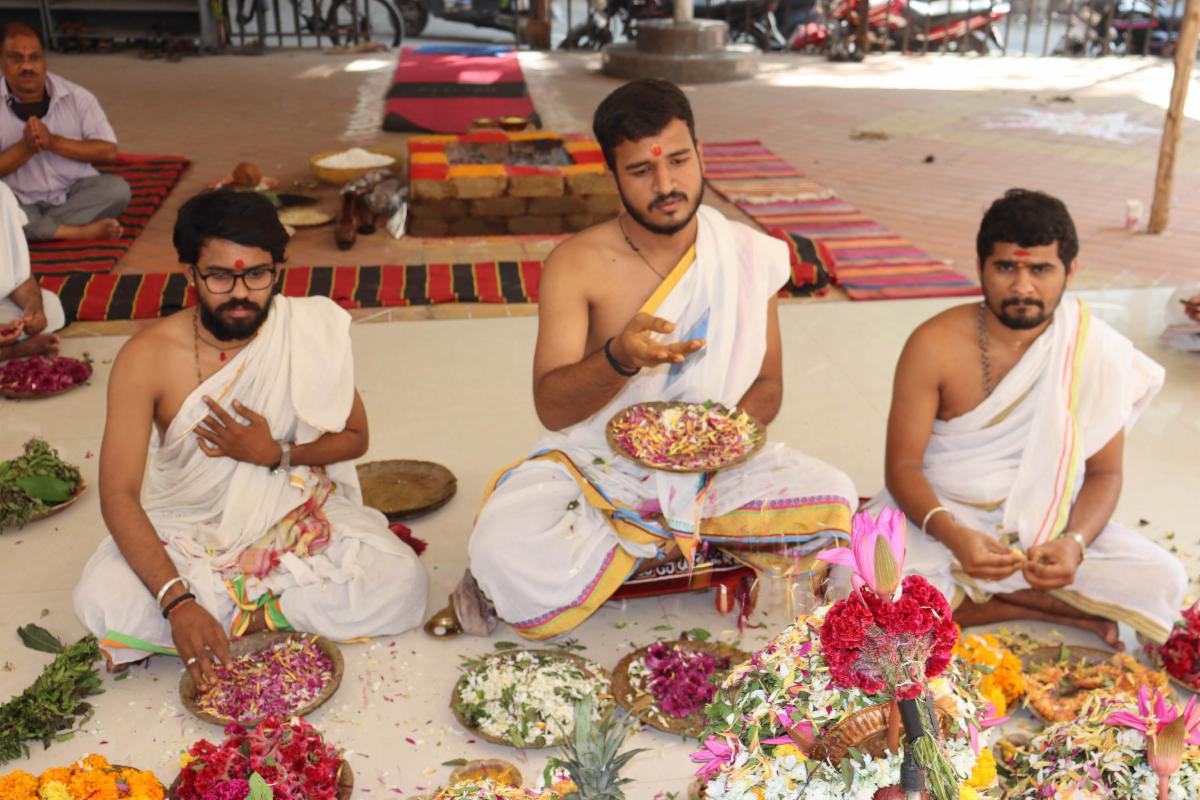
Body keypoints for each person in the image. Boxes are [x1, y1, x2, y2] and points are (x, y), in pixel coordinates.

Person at [456, 79, 858, 640]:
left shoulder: (745, 253)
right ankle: (688, 543)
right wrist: (618, 358)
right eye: (642, 170)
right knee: (503, 547)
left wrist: (714, 443)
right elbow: (552, 407)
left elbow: (768, 385)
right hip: (600, 465)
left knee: (836, 496)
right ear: (612, 176)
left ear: (701, 154)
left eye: (679, 160)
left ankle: (647, 545)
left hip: (715, 464)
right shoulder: (576, 264)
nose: (666, 185)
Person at [73, 190, 427, 686]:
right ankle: (243, 614)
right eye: (220, 276)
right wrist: (178, 601)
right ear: (190, 274)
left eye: (257, 275)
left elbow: (355, 437)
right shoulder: (146, 358)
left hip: (293, 513)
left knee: (402, 581)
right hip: (191, 526)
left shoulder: (304, 331)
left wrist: (275, 453)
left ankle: (247, 619)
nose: (240, 293)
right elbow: (118, 495)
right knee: (103, 599)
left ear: (277, 271)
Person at [875, 188, 1185, 647]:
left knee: (1164, 578)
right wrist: (954, 535)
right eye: (1006, 268)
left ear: (1070, 271)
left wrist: (1074, 543)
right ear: (981, 266)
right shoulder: (933, 344)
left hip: (1047, 526)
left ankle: (974, 600)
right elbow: (902, 468)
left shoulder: (1094, 349)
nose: (1022, 287)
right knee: (871, 582)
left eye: (1040, 269)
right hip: (942, 517)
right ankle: (1032, 605)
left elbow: (1105, 474)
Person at [0, 22, 130, 242]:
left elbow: (108, 152)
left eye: (34, 57)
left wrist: (52, 142)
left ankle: (33, 229)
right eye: (16, 58)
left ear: (44, 61)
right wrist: (25, 149)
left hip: (72, 192)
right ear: (1, 63)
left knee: (117, 191)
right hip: (17, 196)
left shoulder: (77, 97)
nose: (27, 66)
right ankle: (76, 231)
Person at [0, 179, 63, 358]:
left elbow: (18, 273)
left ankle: (11, 345)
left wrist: (33, 310)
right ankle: (14, 350)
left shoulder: (1, 194)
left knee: (50, 306)